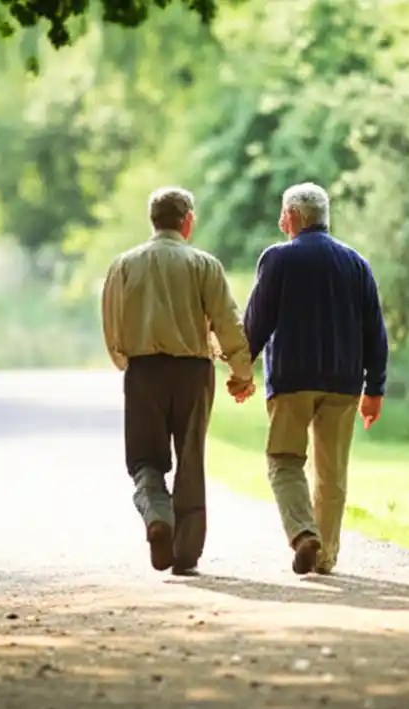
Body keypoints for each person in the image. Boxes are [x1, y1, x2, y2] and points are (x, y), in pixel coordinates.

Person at [101, 186, 256, 576]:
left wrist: (126, 361)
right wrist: (241, 372)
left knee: (144, 459)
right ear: (187, 221)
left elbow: (112, 321)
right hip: (192, 373)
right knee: (191, 460)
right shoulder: (204, 265)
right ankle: (186, 553)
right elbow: (227, 321)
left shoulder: (124, 264)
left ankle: (157, 515)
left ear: (153, 220)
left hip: (143, 372)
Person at [242, 182, 388, 575]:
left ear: (293, 216)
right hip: (344, 384)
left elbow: (257, 323)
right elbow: (376, 331)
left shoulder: (277, 259)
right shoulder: (356, 263)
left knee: (284, 460)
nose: (278, 221)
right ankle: (324, 557)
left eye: (281, 214)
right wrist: (375, 389)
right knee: (332, 473)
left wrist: (242, 371)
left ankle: (304, 534)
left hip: (292, 381)